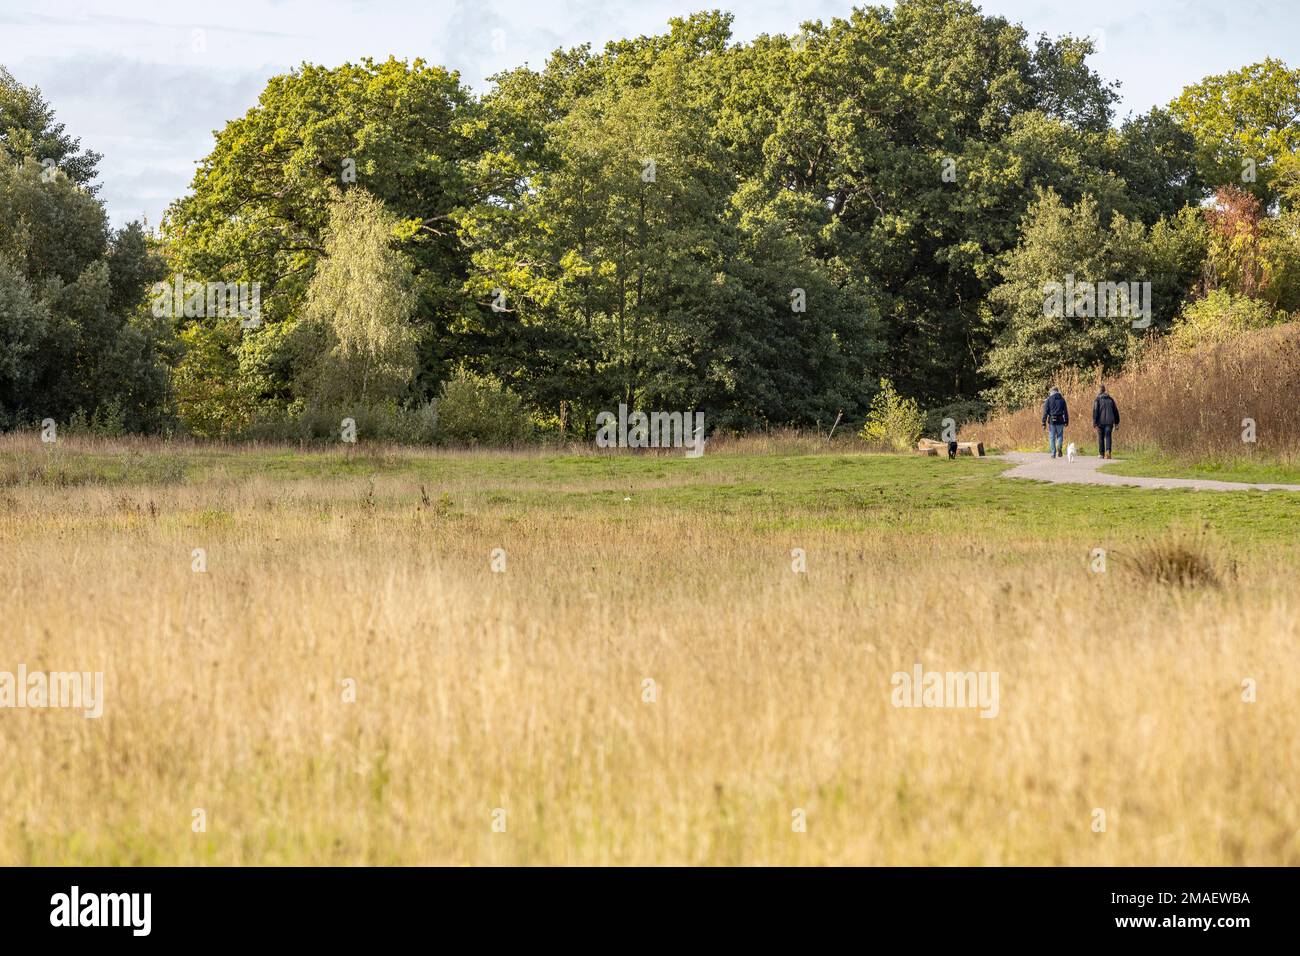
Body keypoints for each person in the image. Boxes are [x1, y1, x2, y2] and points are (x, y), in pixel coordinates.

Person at [1092, 384, 1120, 459]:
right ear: (1104, 390)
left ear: (1099, 391)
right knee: (1108, 437)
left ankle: (1101, 454)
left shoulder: (1097, 399)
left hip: (1100, 422)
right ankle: (1108, 452)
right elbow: (1115, 411)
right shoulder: (1111, 399)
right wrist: (1117, 422)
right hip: (1109, 422)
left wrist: (1094, 421)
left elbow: (1095, 411)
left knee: (1100, 437)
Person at [1041, 386, 1069, 458]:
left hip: (1052, 421)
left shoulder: (1049, 399)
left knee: (1052, 437)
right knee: (1060, 435)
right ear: (1058, 391)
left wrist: (1043, 422)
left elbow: (1045, 412)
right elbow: (1065, 411)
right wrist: (1066, 421)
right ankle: (1059, 447)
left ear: (1052, 392)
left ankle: (1053, 453)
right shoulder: (1062, 399)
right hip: (1060, 420)